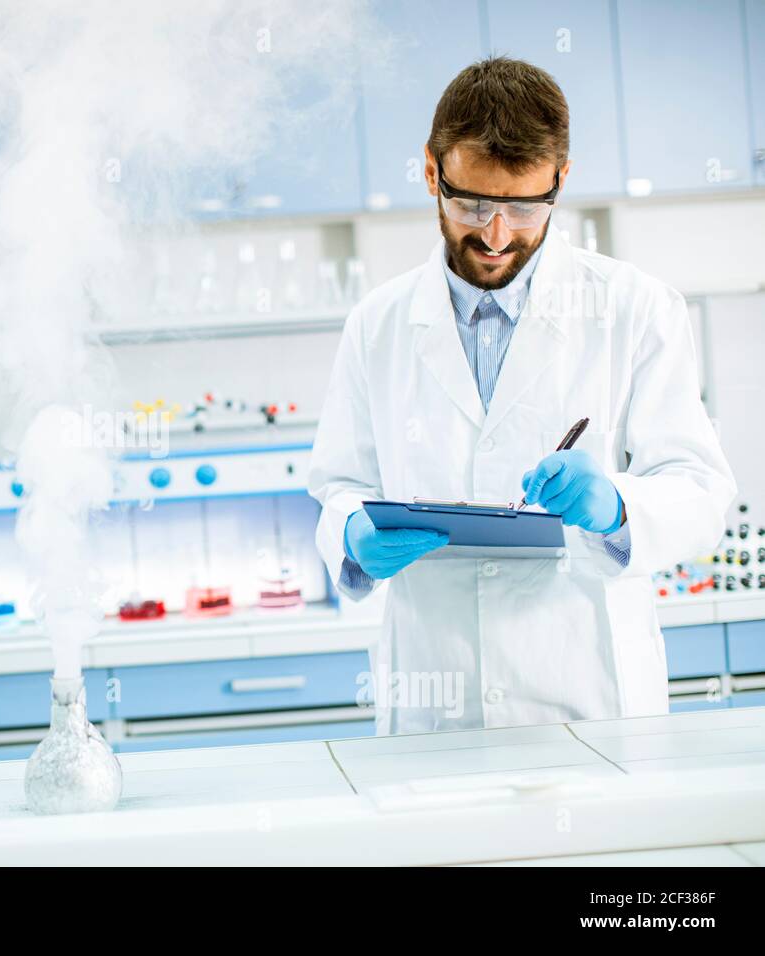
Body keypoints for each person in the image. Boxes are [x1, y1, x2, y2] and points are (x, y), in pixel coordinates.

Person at [308, 58, 735, 735]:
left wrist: (620, 504)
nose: (497, 235)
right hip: (434, 708)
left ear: (561, 181)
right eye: (472, 204)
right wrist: (351, 536)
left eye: (524, 208)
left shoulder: (635, 308)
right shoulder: (379, 323)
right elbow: (338, 484)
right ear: (430, 172)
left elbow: (702, 492)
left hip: (592, 702)